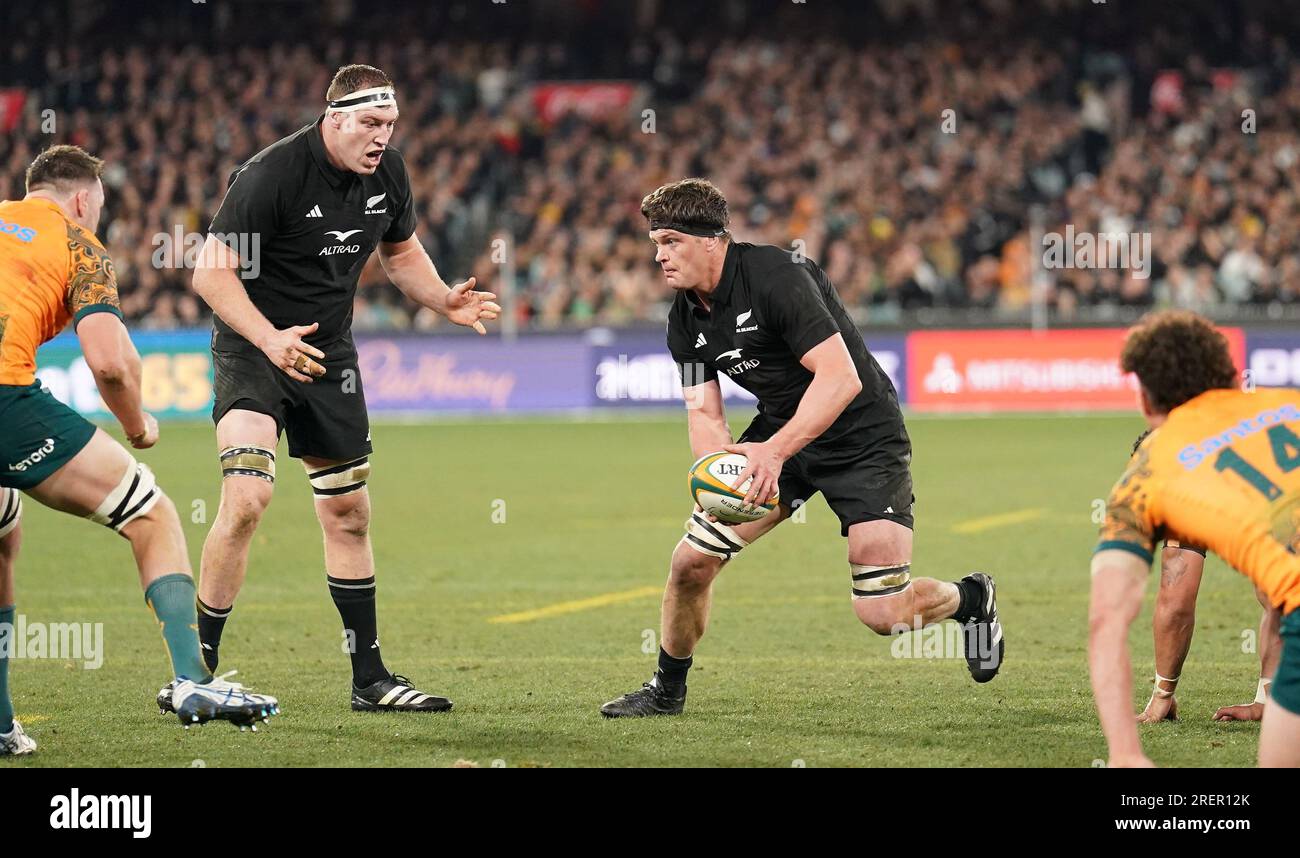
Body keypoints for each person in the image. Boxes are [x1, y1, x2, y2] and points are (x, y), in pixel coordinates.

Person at [600, 178, 1003, 718]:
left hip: (862, 437)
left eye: (670, 241)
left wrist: (772, 452)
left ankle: (970, 599)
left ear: (713, 239)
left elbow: (840, 380)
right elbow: (704, 411)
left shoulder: (775, 277)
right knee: (691, 561)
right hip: (780, 437)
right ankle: (666, 691)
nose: (659, 256)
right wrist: (714, 470)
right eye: (655, 243)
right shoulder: (684, 319)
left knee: (883, 613)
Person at [178, 64, 499, 714]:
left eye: (390, 125)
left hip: (329, 356)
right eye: (371, 124)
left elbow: (400, 252)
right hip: (254, 346)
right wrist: (269, 339)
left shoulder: (389, 175)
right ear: (335, 117)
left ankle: (370, 680)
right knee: (246, 499)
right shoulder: (271, 174)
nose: (382, 137)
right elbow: (209, 275)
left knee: (348, 513)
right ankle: (194, 673)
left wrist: (442, 300)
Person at [0, 145, 278, 755]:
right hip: (4, 397)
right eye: (96, 209)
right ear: (80, 200)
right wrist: (136, 424)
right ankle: (193, 680)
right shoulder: (78, 243)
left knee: (3, 531)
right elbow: (111, 363)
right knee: (150, 512)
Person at [1091, 310, 1300, 767]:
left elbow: (1107, 619)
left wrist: (1125, 751)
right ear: (1228, 375)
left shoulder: (1154, 469)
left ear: (1147, 401)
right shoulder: (1285, 404)